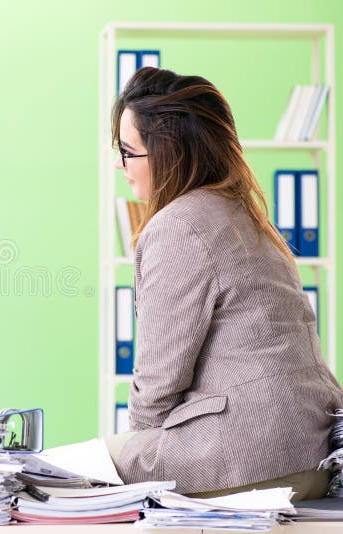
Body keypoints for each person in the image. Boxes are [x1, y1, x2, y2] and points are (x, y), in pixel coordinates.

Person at [105, 67, 343, 499]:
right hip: (312, 453)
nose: (120, 164)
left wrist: (143, 452)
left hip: (248, 460)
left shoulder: (178, 226)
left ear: (169, 151)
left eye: (128, 151)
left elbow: (158, 384)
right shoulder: (246, 216)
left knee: (88, 464)